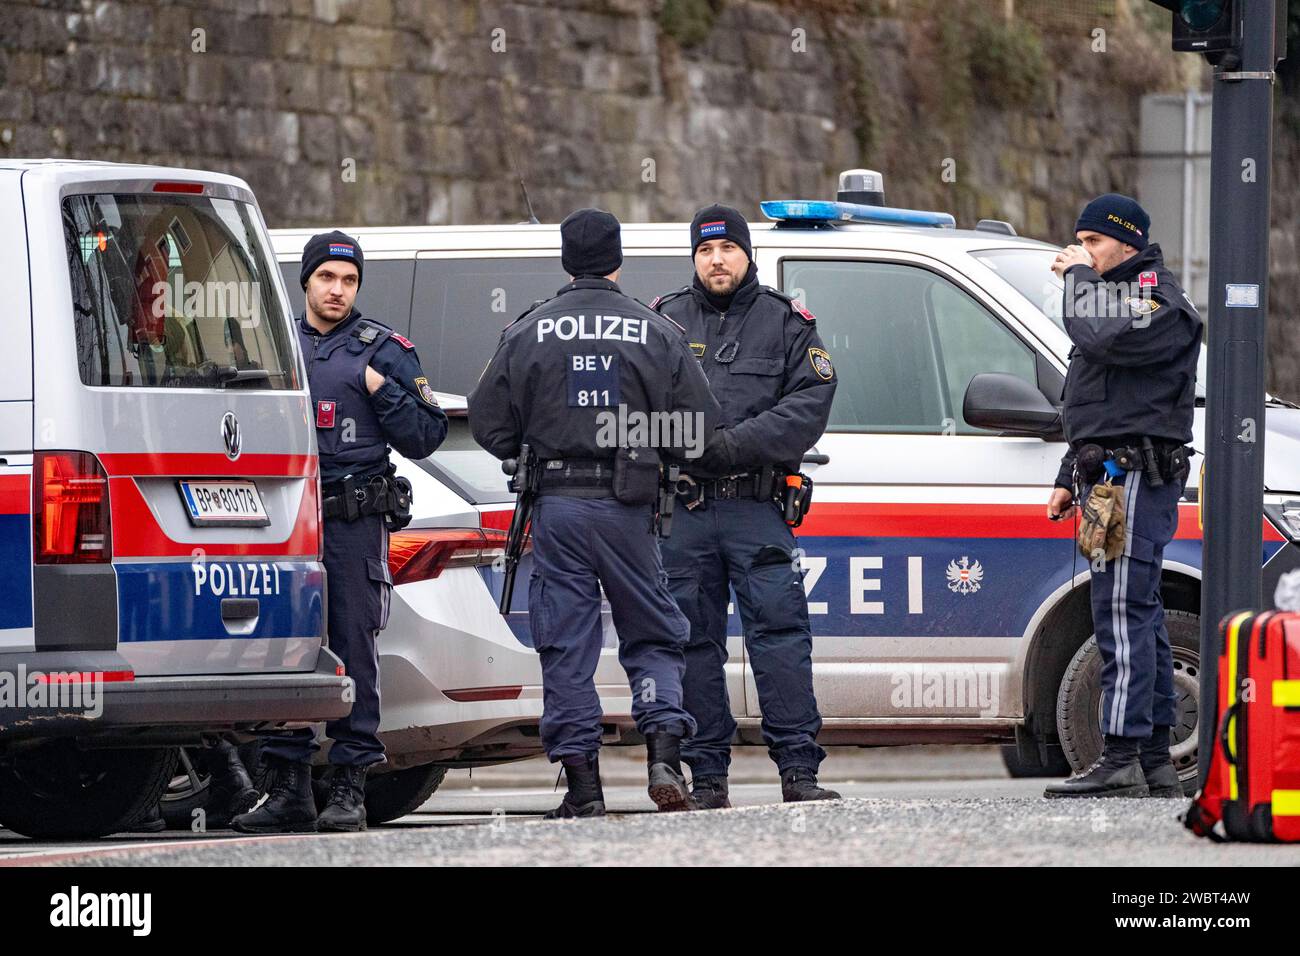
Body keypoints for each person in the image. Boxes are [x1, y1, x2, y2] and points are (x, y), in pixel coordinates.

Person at [468, 208, 721, 818]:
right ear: (617, 260)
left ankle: (584, 790)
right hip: (629, 507)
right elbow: (702, 428)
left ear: (565, 260)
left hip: (557, 507)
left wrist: (539, 444)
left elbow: (488, 422)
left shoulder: (528, 330)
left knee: (566, 643)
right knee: (654, 631)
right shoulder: (654, 330)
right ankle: (663, 754)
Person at [233, 230, 447, 832]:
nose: (337, 290)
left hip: (353, 521)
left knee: (353, 648)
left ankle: (350, 784)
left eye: (349, 281)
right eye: (327, 278)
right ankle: (287, 789)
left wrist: (380, 391)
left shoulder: (382, 350)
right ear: (306, 282)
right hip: (283, 522)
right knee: (286, 646)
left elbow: (428, 435)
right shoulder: (275, 346)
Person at [651, 204, 839, 808]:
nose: (716, 260)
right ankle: (706, 778)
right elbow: (636, 402)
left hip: (756, 509)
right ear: (694, 258)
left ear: (747, 253)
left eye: (727, 248)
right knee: (691, 644)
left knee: (780, 637)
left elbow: (809, 404)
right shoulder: (664, 320)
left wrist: (729, 446)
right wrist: (685, 447)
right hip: (683, 512)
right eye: (705, 251)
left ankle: (798, 774)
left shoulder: (786, 324)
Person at [1043, 194, 1201, 799]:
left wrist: (1077, 278)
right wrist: (1066, 474)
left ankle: (1121, 754)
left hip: (1137, 477)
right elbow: (1098, 402)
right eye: (1080, 243)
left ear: (1127, 244)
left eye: (1093, 243)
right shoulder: (1113, 298)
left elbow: (1102, 336)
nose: (1082, 253)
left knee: (1122, 614)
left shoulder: (1157, 302)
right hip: (1106, 477)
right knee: (1138, 613)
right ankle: (1156, 758)